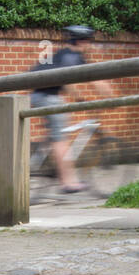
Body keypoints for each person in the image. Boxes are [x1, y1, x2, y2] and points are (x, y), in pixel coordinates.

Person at [29, 26, 112, 192]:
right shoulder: (73, 56)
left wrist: (78, 98)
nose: (90, 45)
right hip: (48, 98)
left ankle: (45, 159)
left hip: (39, 96)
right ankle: (68, 182)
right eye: (89, 41)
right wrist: (111, 97)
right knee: (61, 139)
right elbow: (94, 80)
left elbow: (65, 81)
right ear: (82, 41)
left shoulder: (61, 54)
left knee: (56, 132)